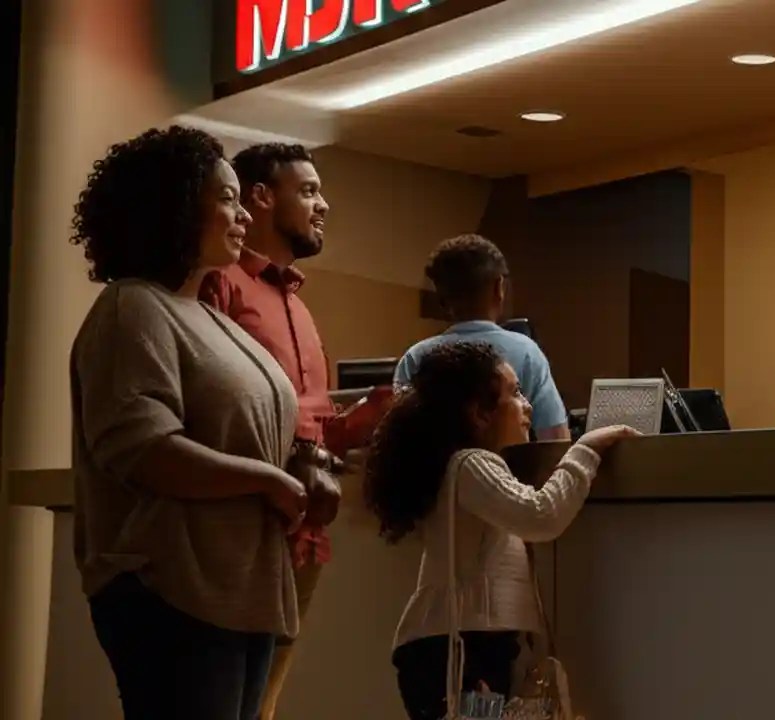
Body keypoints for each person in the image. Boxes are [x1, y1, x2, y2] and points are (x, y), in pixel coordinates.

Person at [69, 126, 306, 719]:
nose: (244, 216)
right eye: (226, 198)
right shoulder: (133, 307)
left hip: (240, 592)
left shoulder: (207, 316)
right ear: (173, 204)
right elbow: (146, 451)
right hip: (172, 593)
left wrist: (306, 468)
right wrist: (268, 481)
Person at [199, 142, 391, 720]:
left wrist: (368, 419)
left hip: (306, 530)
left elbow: (313, 431)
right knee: (222, 695)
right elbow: (214, 408)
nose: (323, 203)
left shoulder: (299, 305)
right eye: (307, 191)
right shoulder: (221, 284)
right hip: (245, 527)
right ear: (260, 197)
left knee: (265, 700)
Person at [365, 341, 636, 720]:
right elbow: (541, 515)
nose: (527, 405)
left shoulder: (456, 468)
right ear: (479, 413)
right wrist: (585, 449)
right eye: (515, 393)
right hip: (464, 651)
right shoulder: (472, 463)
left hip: (452, 649)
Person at [395, 234, 570, 440]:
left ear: (442, 299)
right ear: (499, 288)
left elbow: (399, 440)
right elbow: (555, 439)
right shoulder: (526, 353)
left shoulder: (415, 358)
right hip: (507, 472)